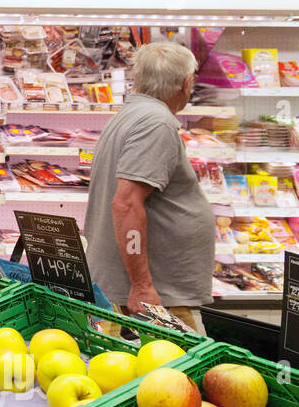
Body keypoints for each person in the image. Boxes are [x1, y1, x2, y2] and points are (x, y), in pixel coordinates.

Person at [84, 42, 214, 334]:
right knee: (182, 372)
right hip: (152, 297)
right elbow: (126, 204)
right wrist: (142, 285)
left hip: (136, 290)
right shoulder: (156, 123)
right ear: (185, 83)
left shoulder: (132, 115)